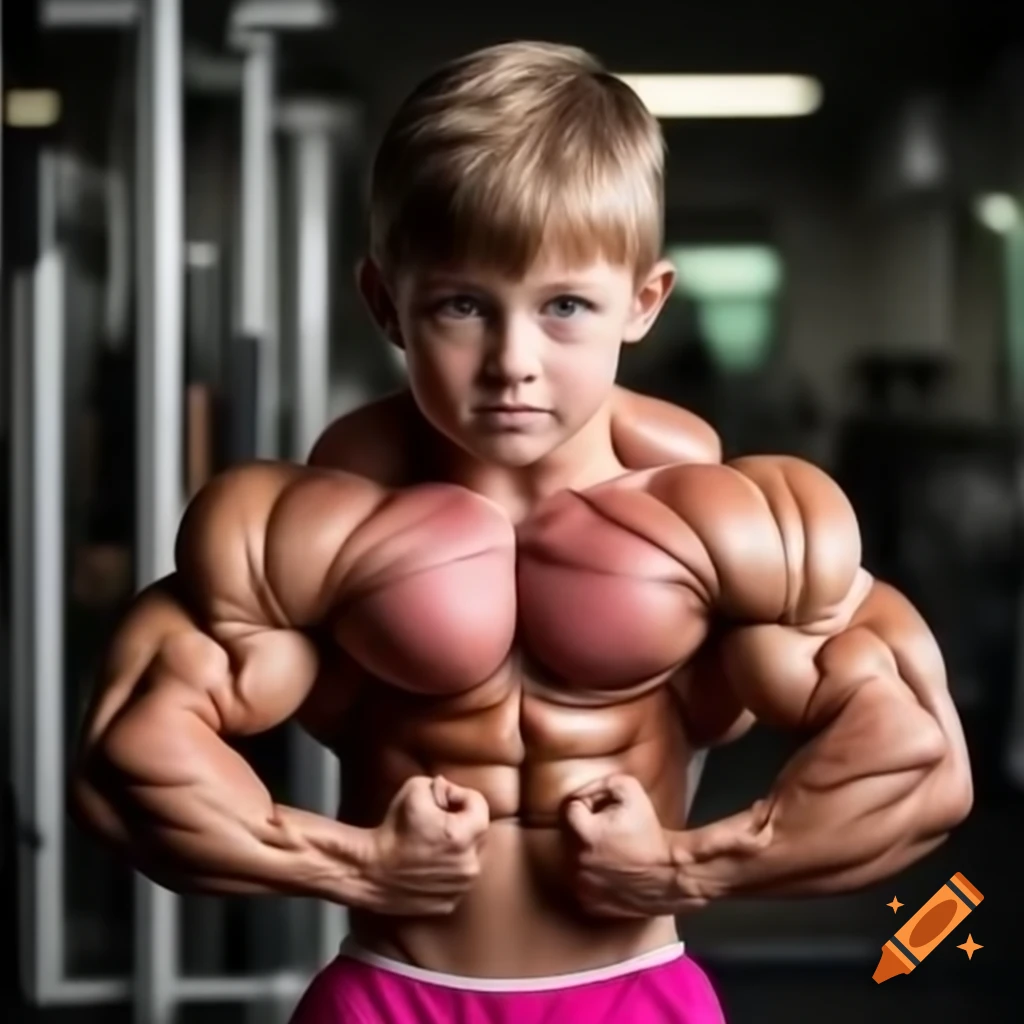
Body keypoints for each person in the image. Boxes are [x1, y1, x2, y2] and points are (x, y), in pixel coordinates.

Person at [70, 41, 973, 1024]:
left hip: (627, 993)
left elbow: (921, 763)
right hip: (392, 991)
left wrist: (690, 863)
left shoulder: (726, 523)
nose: (513, 362)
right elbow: (127, 759)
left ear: (643, 301)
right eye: (462, 305)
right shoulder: (309, 528)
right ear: (386, 303)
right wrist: (358, 864)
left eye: (565, 308)